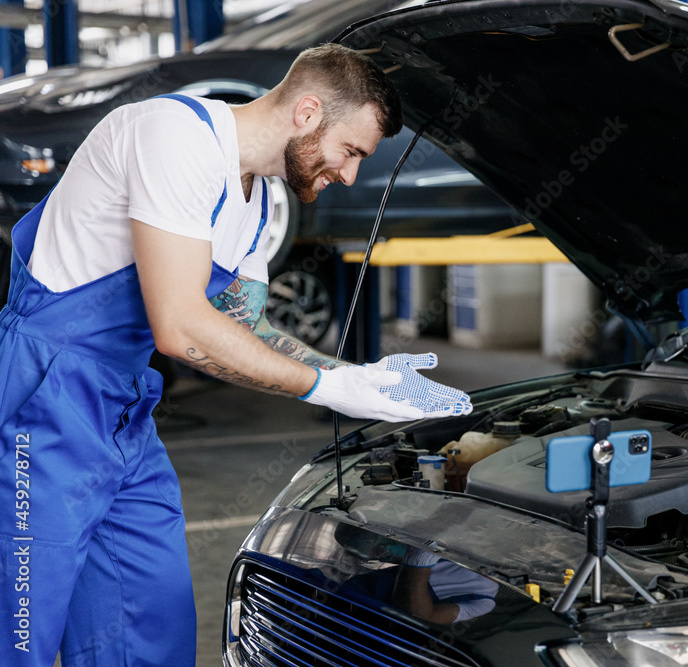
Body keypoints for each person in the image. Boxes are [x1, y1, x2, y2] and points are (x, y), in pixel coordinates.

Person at [0, 43, 472, 666]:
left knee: (148, 619)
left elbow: (241, 327)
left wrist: (356, 375)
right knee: (21, 626)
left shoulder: (255, 204)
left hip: (122, 409)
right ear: (307, 113)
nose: (351, 175)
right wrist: (326, 390)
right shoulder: (174, 136)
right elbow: (181, 329)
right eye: (351, 151)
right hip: (46, 396)